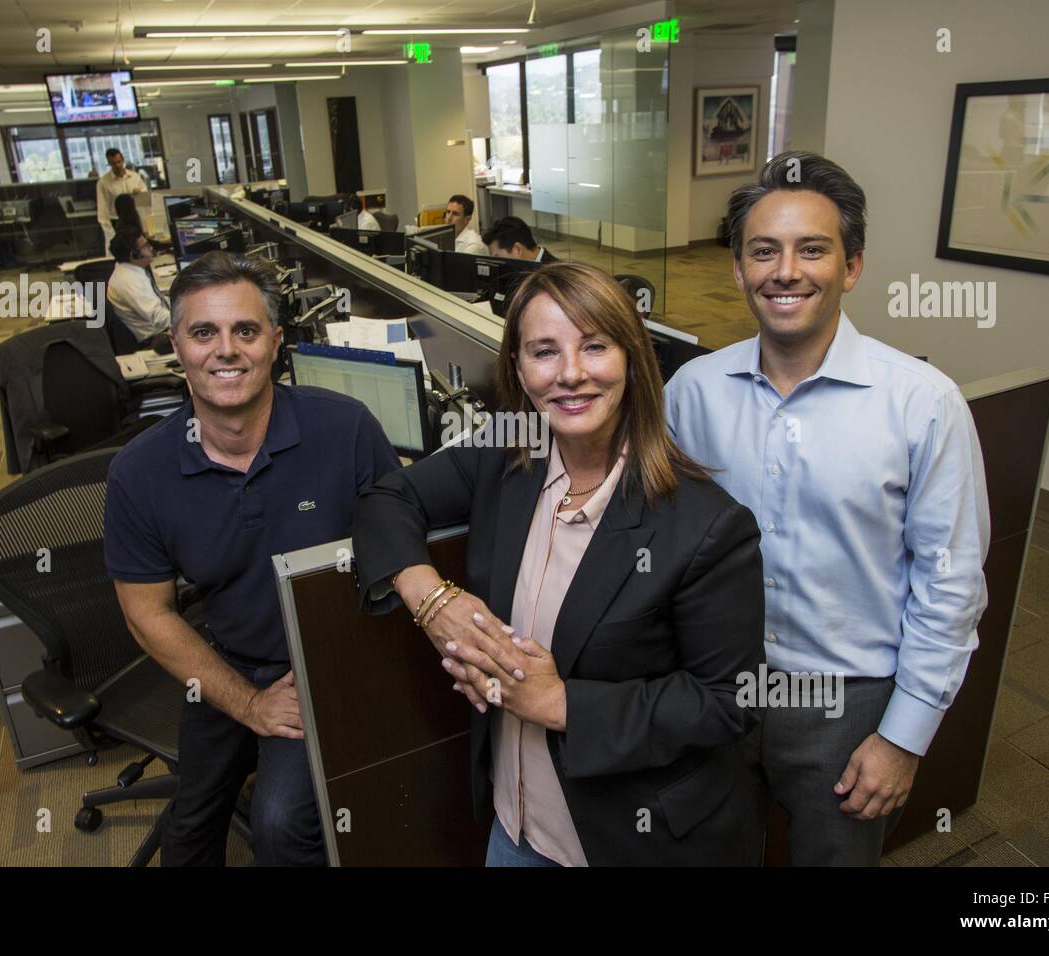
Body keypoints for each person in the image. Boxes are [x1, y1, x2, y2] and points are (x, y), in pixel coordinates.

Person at [353, 261, 765, 866]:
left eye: (595, 346)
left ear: (632, 358)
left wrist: (559, 703)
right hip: (516, 823)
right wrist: (434, 601)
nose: (571, 374)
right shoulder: (508, 452)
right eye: (544, 351)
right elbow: (388, 497)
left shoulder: (705, 525)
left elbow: (731, 700)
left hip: (631, 840)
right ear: (517, 369)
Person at [664, 151, 990, 866]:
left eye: (812, 250)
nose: (786, 271)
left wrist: (905, 736)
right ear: (738, 269)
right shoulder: (692, 392)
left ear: (852, 267)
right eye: (763, 251)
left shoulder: (921, 404)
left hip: (847, 707)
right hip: (716, 691)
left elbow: (951, 585)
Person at [104, 252, 400, 866]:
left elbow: (402, 548)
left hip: (325, 660)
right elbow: (146, 614)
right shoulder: (140, 471)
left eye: (246, 330)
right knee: (187, 835)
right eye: (203, 332)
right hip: (227, 654)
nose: (226, 350)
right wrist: (247, 704)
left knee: (279, 825)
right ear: (176, 345)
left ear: (276, 342)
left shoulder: (345, 430)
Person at [106, 228, 172, 349]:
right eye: (146, 246)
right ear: (133, 254)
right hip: (158, 339)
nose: (151, 248)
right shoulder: (129, 281)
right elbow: (159, 318)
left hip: (160, 330)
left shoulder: (129, 270)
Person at [96, 148, 147, 255]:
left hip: (136, 220)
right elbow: (103, 210)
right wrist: (110, 233)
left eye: (119, 162)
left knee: (140, 251)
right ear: (109, 163)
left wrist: (140, 192)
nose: (118, 165)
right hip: (118, 222)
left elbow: (146, 197)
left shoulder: (135, 177)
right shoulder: (103, 183)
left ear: (123, 160)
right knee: (124, 254)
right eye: (114, 163)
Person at [482, 216, 557, 263]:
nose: (496, 264)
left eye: (497, 257)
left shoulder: (556, 274)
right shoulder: (524, 268)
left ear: (517, 250)